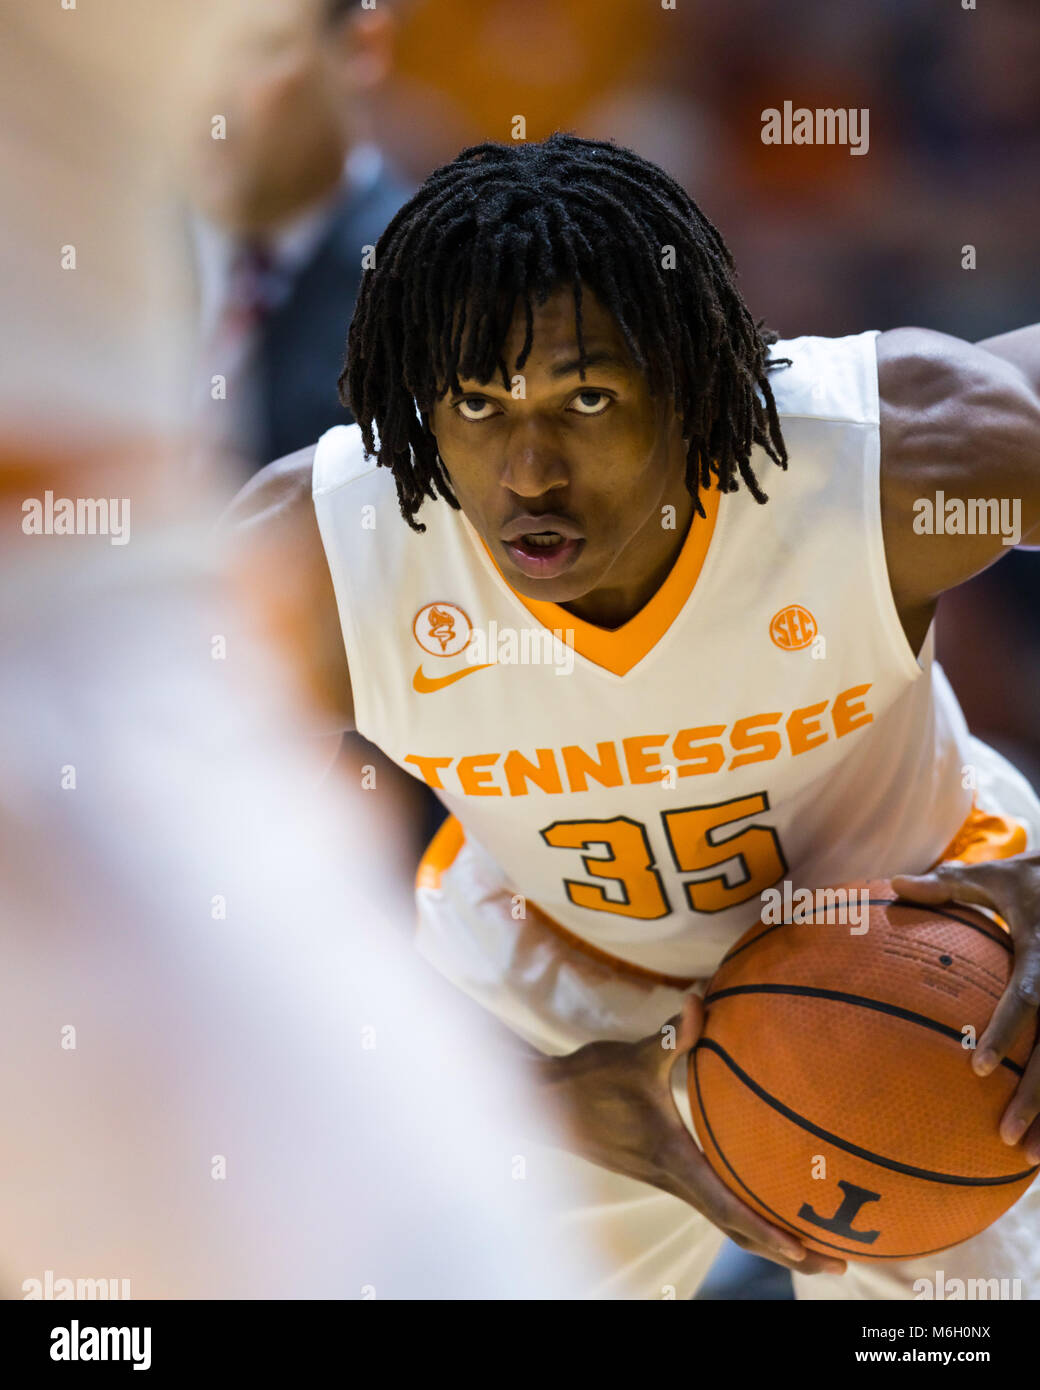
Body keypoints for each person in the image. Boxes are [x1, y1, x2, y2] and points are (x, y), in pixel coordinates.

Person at [227, 133, 1040, 1301]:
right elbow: (126, 883)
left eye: (587, 394)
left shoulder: (879, 456)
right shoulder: (324, 556)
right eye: (473, 403)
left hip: (916, 965)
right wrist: (515, 1085)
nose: (528, 472)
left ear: (694, 377)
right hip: (546, 998)